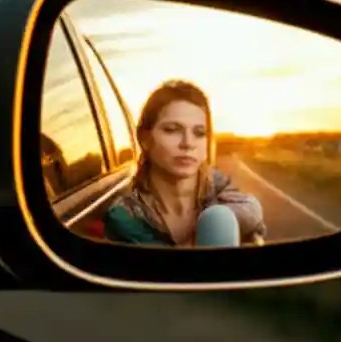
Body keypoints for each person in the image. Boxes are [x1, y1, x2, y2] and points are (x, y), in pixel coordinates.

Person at [102, 80, 266, 247]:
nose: (188, 143)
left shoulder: (221, 189)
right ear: (145, 139)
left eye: (200, 133)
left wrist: (217, 223)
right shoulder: (124, 219)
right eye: (172, 130)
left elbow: (251, 211)